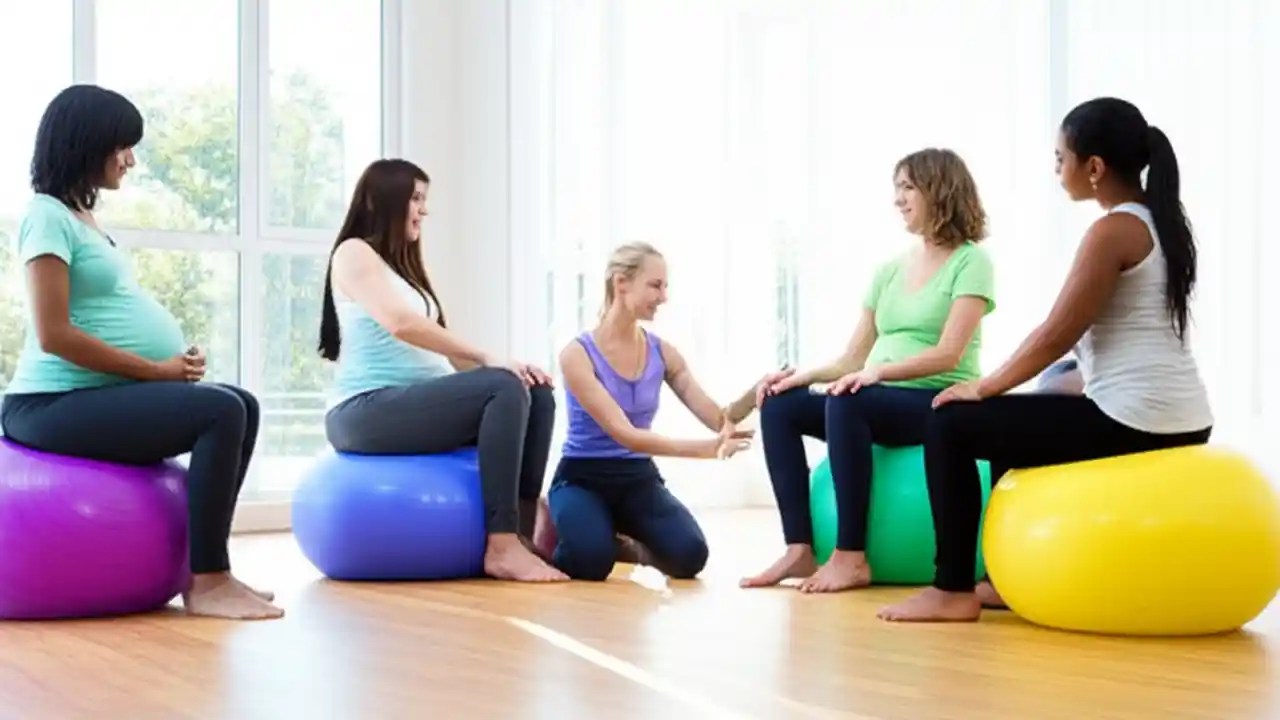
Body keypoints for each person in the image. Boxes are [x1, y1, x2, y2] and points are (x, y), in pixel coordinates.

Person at [878, 97, 1214, 623]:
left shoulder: (1112, 232)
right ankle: (1001, 578)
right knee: (1014, 420)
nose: (1057, 170)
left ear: (1095, 168)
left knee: (949, 422)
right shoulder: (1163, 222)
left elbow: (1055, 335)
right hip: (1184, 418)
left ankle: (951, 589)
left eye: (1061, 158)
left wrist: (983, 386)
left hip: (1136, 421)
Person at [0, 84, 283, 620]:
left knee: (241, 402)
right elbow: (53, 333)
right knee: (221, 410)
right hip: (45, 407)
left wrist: (168, 367)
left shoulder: (83, 219)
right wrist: (156, 371)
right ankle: (209, 581)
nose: (131, 159)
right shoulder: (45, 215)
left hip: (85, 399)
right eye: (122, 146)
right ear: (88, 144)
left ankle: (213, 565)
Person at [741, 148, 996, 593]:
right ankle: (800, 547)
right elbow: (852, 359)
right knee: (780, 406)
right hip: (875, 399)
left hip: (934, 402)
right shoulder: (890, 271)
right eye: (896, 189)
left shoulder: (971, 262)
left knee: (849, 400)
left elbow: (949, 354)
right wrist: (800, 377)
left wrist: (880, 374)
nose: (898, 199)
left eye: (907, 187)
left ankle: (850, 556)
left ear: (940, 190)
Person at [318, 158, 567, 583]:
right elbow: (401, 323)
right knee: (502, 387)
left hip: (409, 406)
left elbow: (449, 358)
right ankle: (501, 545)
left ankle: (521, 534)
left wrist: (513, 366)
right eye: (416, 198)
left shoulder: (406, 272)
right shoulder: (354, 252)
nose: (424, 210)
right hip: (364, 412)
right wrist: (492, 361)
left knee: (535, 391)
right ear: (385, 200)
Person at [547, 242, 755, 581]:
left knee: (690, 555)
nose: (664, 296)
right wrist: (706, 449)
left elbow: (718, 416)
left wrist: (759, 394)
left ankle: (627, 546)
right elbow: (625, 434)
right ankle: (568, 528)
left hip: (636, 479)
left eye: (665, 286)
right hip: (582, 478)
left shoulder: (662, 352)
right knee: (590, 561)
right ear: (621, 283)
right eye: (655, 285)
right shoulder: (577, 355)